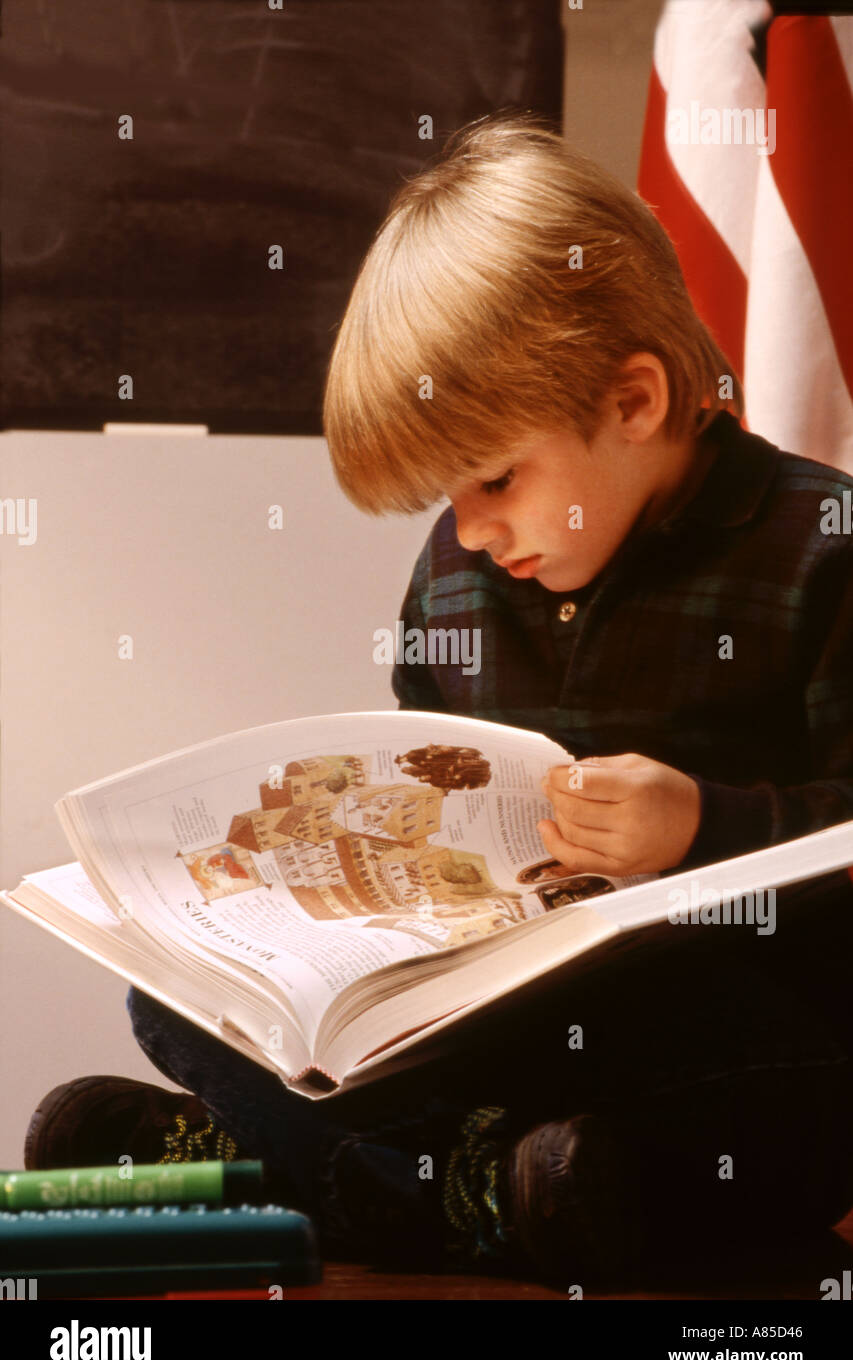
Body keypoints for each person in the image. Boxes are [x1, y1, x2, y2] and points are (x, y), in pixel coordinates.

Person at [26, 114, 853, 1288]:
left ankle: (308, 1174)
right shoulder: (462, 575)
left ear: (632, 401)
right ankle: (486, 1186)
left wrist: (702, 829)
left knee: (754, 1100)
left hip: (732, 1041)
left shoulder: (819, 550)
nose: (466, 528)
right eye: (446, 493)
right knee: (173, 998)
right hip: (496, 1040)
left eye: (495, 478)